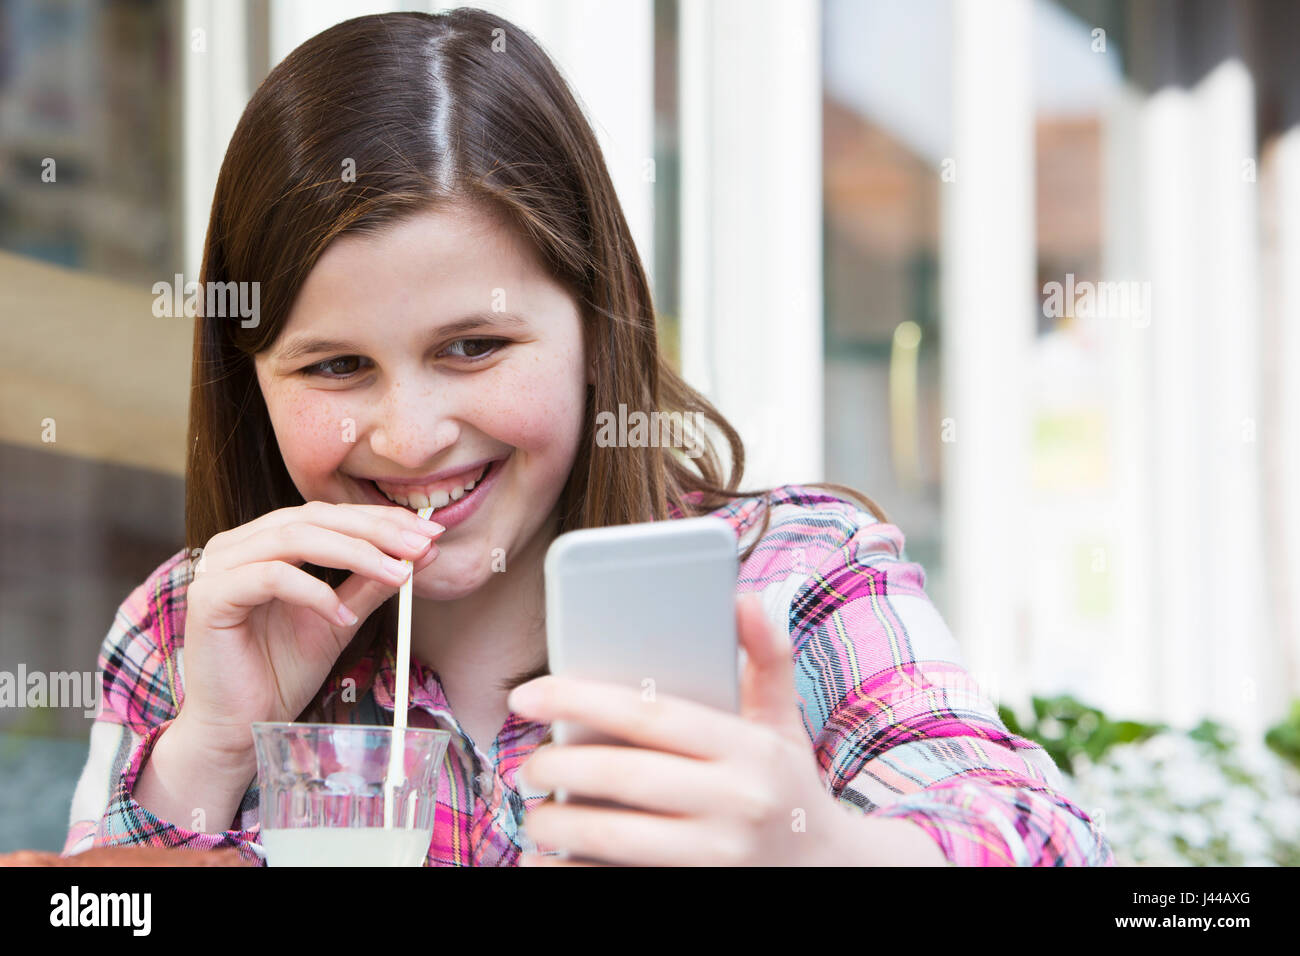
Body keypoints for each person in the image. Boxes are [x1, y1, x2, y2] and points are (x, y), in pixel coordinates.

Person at [62, 8, 1112, 867]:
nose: (411, 437)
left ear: (598, 333)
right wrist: (209, 753)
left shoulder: (789, 581)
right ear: (251, 380)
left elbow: (1055, 846)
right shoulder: (192, 628)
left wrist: (821, 849)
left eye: (473, 346)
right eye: (335, 366)